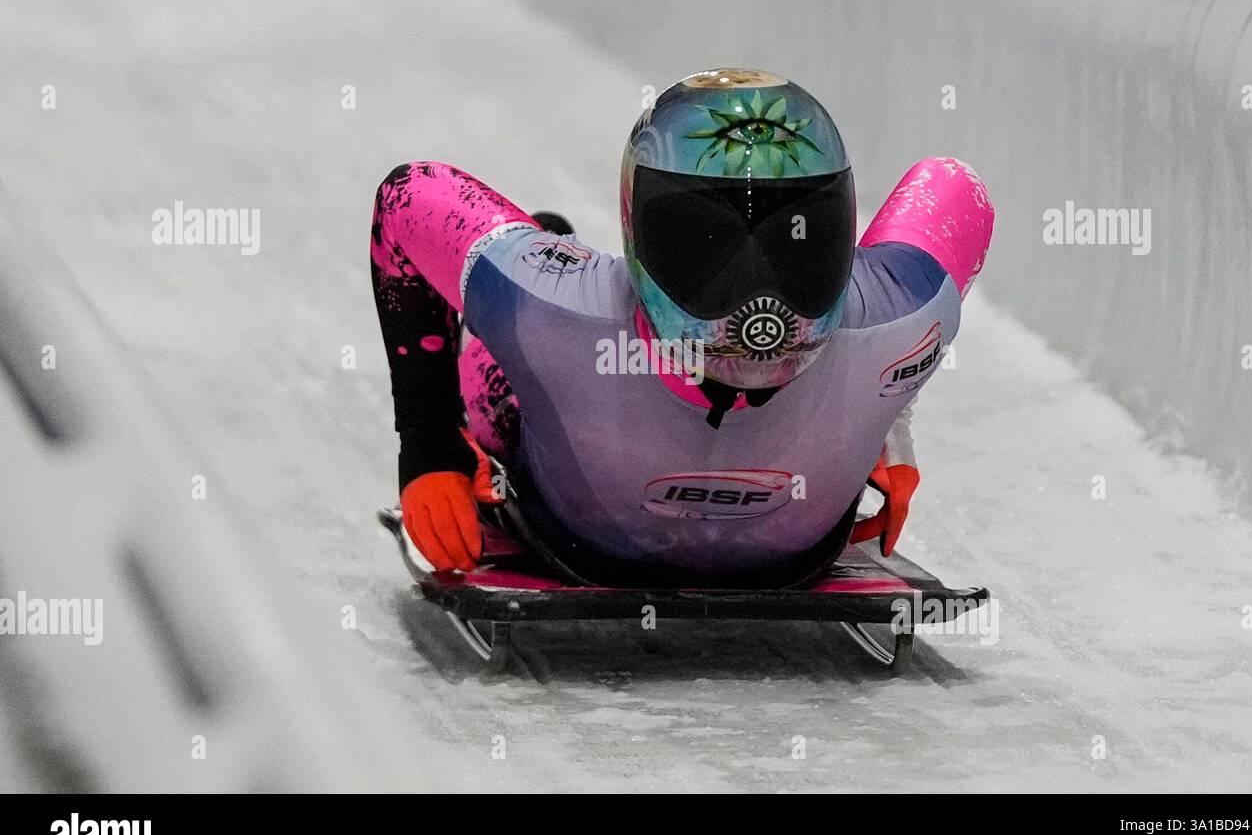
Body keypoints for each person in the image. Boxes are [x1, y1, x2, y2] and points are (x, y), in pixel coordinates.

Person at [370, 68, 993, 588]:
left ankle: (550, 235)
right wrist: (431, 444)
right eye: (713, 243)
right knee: (499, 361)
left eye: (790, 239)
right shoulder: (900, 312)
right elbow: (956, 186)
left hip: (584, 530)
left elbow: (409, 198)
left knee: (516, 325)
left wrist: (889, 416)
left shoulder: (551, 308)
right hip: (790, 541)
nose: (759, 309)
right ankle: (547, 236)